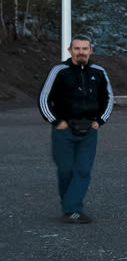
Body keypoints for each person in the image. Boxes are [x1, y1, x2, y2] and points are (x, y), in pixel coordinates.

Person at [38, 35, 114, 223]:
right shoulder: (59, 71)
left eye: (85, 48)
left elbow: (108, 98)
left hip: (89, 130)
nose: (81, 52)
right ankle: (69, 207)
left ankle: (73, 209)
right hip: (64, 130)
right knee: (65, 170)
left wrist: (100, 121)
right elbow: (44, 98)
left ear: (91, 51)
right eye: (77, 48)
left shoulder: (99, 72)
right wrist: (56, 122)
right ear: (70, 50)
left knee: (83, 170)